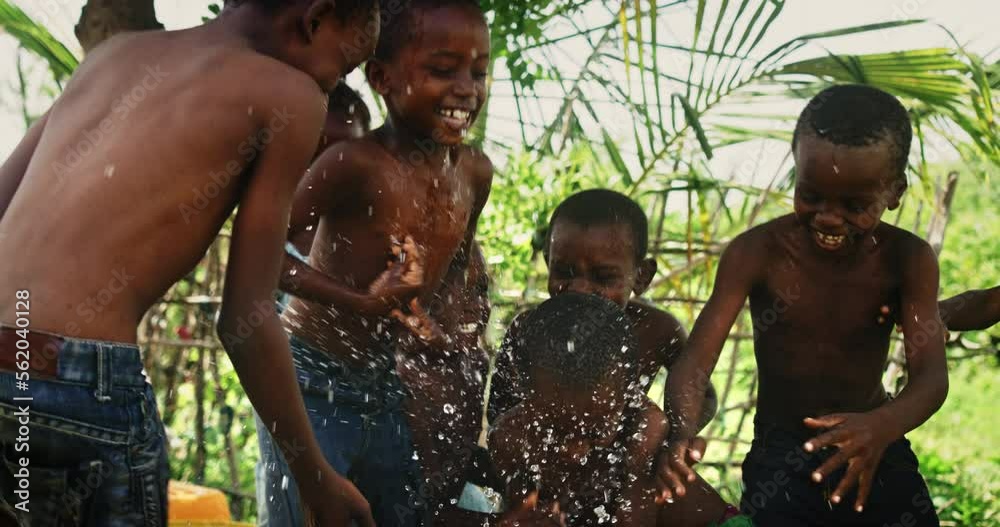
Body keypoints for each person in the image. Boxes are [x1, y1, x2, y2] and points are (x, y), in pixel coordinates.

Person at [0, 1, 382, 525]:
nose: (336, 88)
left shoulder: (113, 54)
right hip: (84, 383)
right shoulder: (291, 96)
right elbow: (245, 321)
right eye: (344, 68)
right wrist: (316, 479)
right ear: (315, 20)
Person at [255, 0, 494, 524]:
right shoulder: (355, 163)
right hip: (310, 378)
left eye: (479, 72)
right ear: (383, 78)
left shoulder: (474, 172)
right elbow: (260, 256)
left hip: (385, 378)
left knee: (401, 512)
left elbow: (457, 270)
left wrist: (447, 332)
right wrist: (361, 302)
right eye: (441, 69)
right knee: (308, 512)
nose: (466, 88)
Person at [664, 85, 947, 526]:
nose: (829, 217)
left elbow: (931, 378)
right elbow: (697, 360)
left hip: (878, 441)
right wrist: (680, 431)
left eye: (855, 205)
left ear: (894, 192)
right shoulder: (755, 253)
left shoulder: (908, 260)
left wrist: (882, 427)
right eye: (810, 195)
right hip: (782, 452)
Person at [490, 293, 745, 527]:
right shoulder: (508, 438)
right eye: (556, 431)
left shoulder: (646, 427)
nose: (574, 452)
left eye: (594, 433)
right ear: (524, 395)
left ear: (628, 396)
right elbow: (526, 516)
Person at [488, 189, 717, 434]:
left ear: (641, 277)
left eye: (603, 278)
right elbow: (498, 413)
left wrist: (674, 442)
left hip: (623, 465)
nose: (580, 289)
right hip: (543, 463)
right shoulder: (528, 329)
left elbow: (702, 396)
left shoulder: (655, 330)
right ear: (548, 262)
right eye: (564, 272)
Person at [395, 241, 496, 525]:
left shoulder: (474, 361)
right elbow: (412, 495)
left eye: (481, 290)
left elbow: (462, 462)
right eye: (455, 291)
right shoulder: (407, 371)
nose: (477, 306)